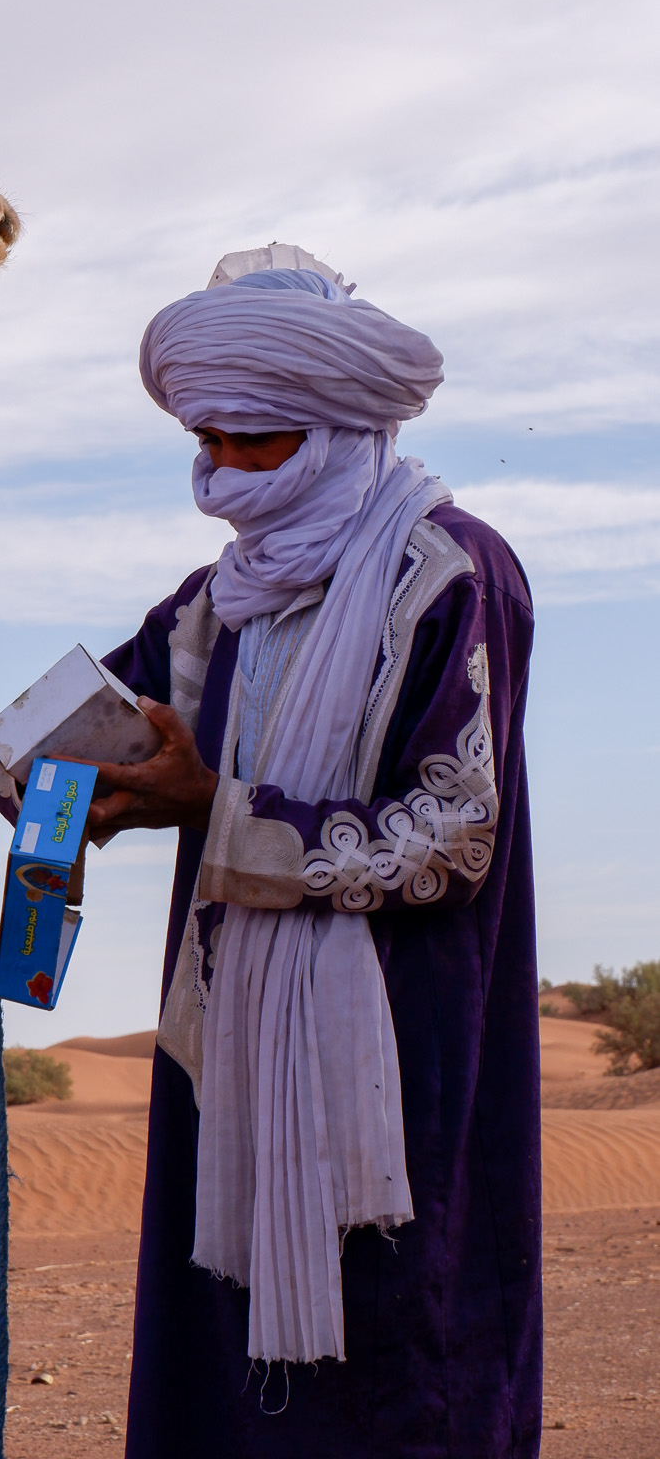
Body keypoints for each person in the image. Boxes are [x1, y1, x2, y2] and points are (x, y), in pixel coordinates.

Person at [88, 246, 540, 1457]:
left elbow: (452, 833)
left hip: (396, 1045)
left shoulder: (449, 571)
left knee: (401, 1354)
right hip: (225, 1033)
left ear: (339, 429)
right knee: (213, 1361)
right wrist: (68, 782)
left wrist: (218, 809)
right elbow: (120, 723)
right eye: (208, 441)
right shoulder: (217, 597)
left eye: (257, 443)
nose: (223, 472)